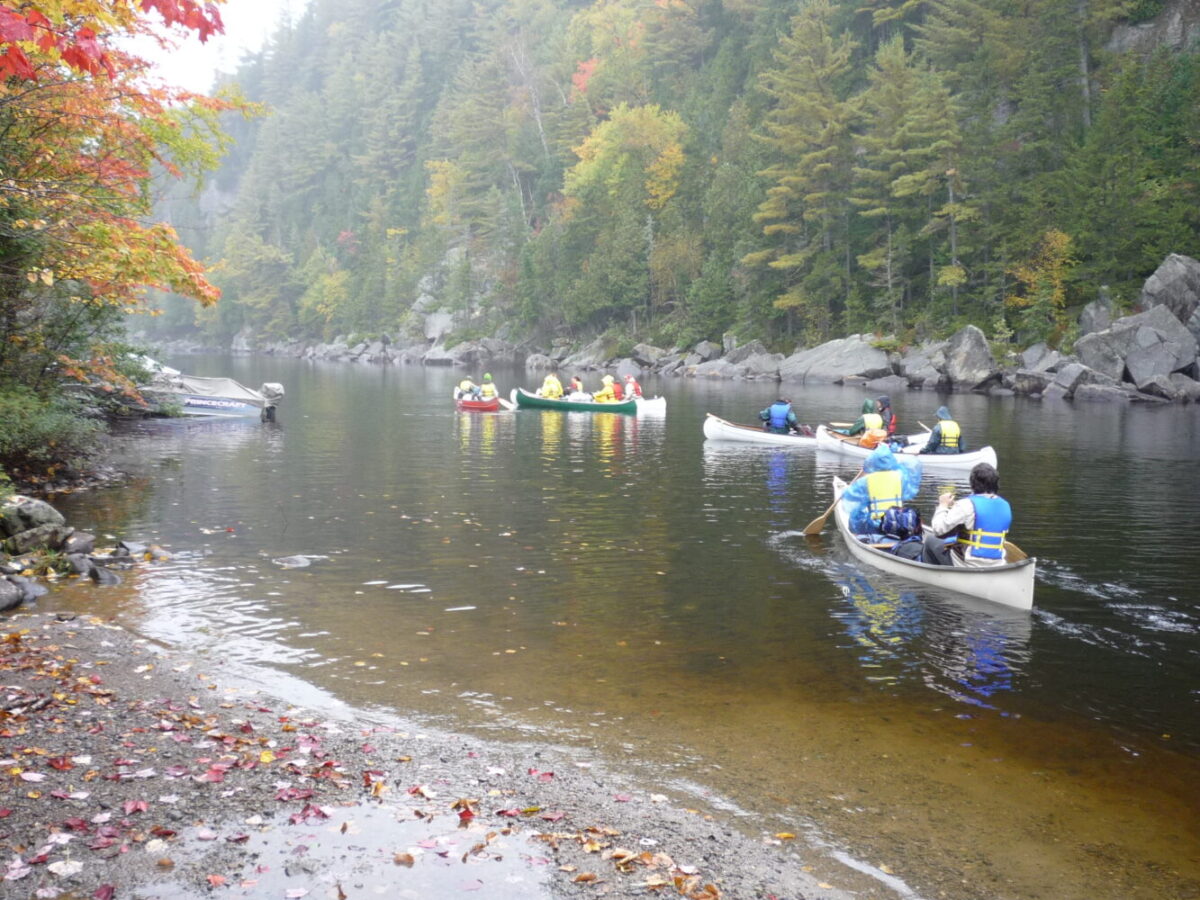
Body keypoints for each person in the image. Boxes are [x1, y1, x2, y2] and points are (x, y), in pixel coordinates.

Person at [923, 462, 1011, 567]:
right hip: (997, 563)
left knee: (930, 540)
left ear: (972, 483)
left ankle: (934, 576)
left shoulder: (966, 504)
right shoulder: (1005, 505)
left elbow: (938, 530)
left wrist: (943, 505)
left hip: (969, 563)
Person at [839, 443, 922, 535]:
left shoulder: (866, 480)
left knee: (855, 516)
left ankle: (861, 536)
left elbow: (850, 498)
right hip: (898, 520)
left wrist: (844, 492)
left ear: (873, 461)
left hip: (877, 524)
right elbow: (911, 467)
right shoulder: (900, 476)